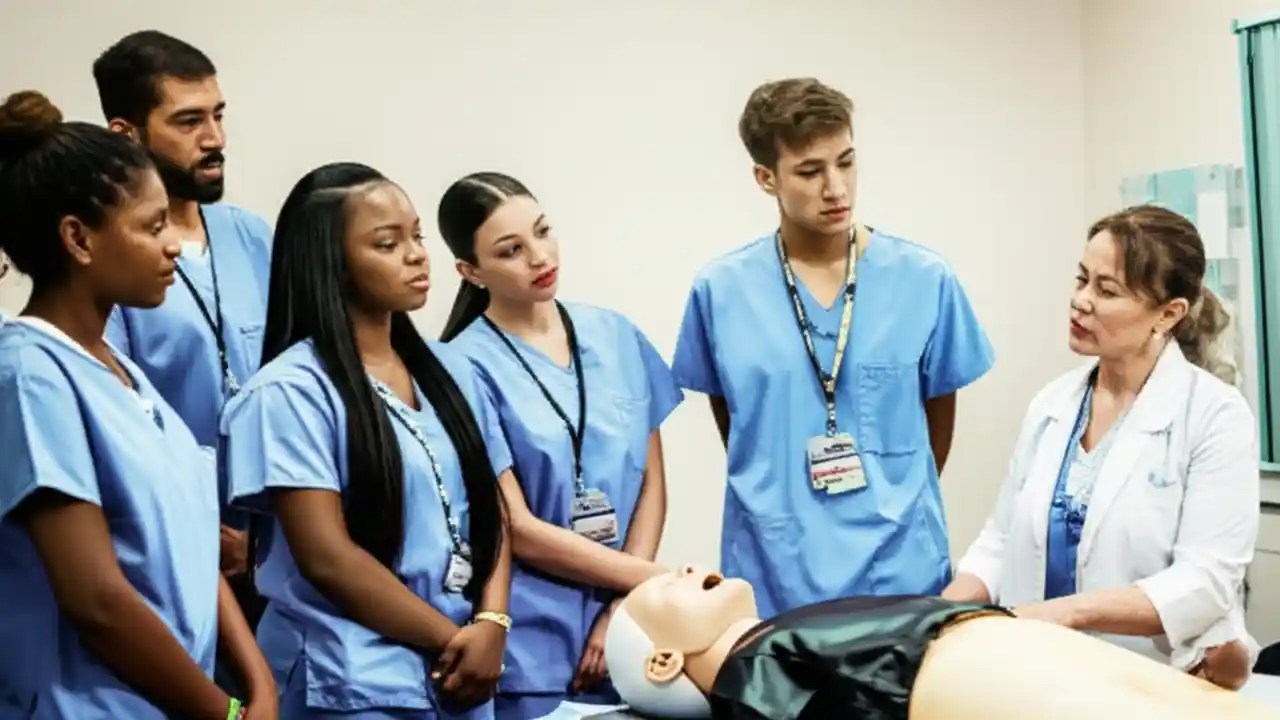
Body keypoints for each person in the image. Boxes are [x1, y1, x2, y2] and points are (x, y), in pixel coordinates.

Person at [670, 77, 995, 617]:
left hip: (899, 568)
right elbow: (740, 427)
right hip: (775, 569)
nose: (837, 188)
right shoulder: (721, 291)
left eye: (846, 162)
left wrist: (891, 502)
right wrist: (781, 502)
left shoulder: (923, 279)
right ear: (765, 178)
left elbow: (938, 421)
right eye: (810, 171)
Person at [0, 90, 275, 719]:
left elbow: (193, 547)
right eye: (152, 227)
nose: (173, 245)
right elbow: (96, 598)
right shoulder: (30, 375)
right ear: (78, 238)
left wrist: (256, 685)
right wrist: (225, 712)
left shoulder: (124, 376)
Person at [221, 162, 514, 718]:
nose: (416, 254)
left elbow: (492, 507)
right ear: (334, 264)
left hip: (460, 674)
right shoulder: (288, 393)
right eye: (388, 242)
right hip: (352, 680)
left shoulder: (452, 370)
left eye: (416, 235)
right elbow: (327, 558)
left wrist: (492, 624)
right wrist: (454, 642)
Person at [943, 205, 1260, 682]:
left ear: (1168, 314)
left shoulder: (1215, 416)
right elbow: (1001, 540)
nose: (1081, 301)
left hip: (1142, 686)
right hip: (1033, 680)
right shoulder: (1053, 404)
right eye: (1082, 279)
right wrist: (935, 616)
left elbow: (1205, 582)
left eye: (1106, 290)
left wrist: (1067, 613)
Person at [438, 172, 683, 718]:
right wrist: (659, 581)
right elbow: (516, 528)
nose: (538, 256)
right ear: (470, 271)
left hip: (634, 634)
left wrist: (627, 605)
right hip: (534, 647)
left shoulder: (616, 334)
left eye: (543, 232)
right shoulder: (459, 366)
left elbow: (652, 482)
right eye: (511, 250)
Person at [601, 567, 1272, 719]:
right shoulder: (750, 681)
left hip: (1023, 652)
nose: (684, 569)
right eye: (667, 588)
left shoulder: (784, 630)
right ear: (664, 661)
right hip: (993, 690)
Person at [93, 30, 273, 585]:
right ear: (127, 134)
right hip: (177, 552)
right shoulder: (112, 257)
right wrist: (200, 528)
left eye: (218, 115)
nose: (215, 137)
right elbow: (118, 422)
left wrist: (274, 542)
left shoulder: (251, 236)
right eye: (189, 122)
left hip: (280, 547)